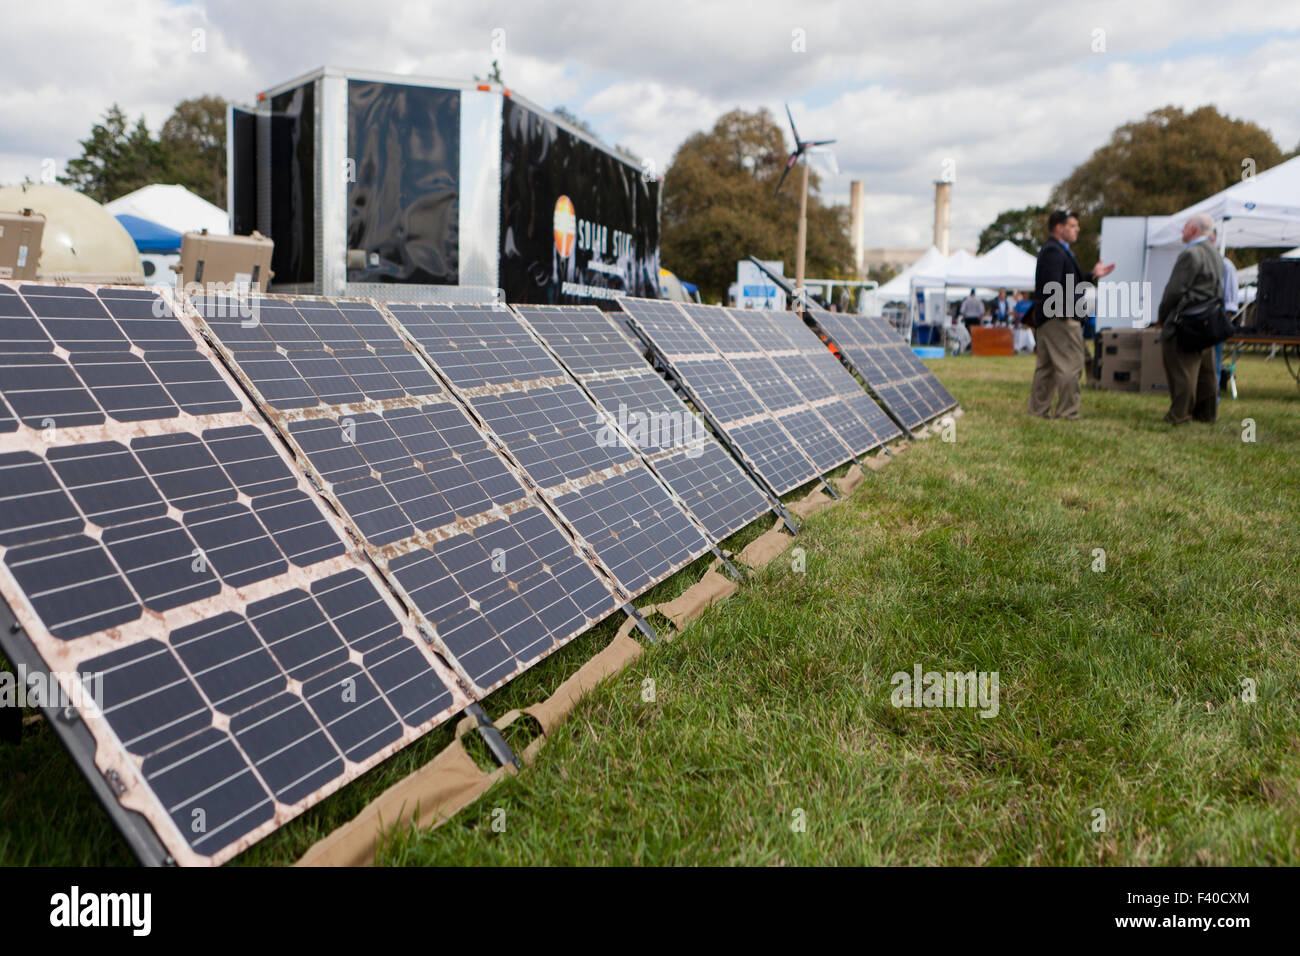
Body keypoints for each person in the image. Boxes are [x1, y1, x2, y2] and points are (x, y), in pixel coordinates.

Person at [1027, 209, 1116, 419]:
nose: (1077, 230)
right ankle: (1067, 412)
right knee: (1070, 365)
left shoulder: (1057, 251)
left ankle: (1038, 410)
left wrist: (1092, 275)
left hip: (1053, 317)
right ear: (1060, 227)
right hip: (1060, 318)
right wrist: (1067, 314)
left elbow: (1067, 285)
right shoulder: (1054, 251)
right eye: (1073, 225)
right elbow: (1053, 287)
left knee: (1047, 367)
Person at [1156, 212, 1223, 425]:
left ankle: (1179, 414)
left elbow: (1174, 291)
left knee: (1182, 369)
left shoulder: (1191, 254)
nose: (1182, 232)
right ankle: (1206, 414)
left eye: (1185, 227)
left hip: (1186, 321)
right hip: (1207, 319)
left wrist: (1163, 315)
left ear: (1194, 229)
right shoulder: (1215, 254)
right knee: (1206, 371)